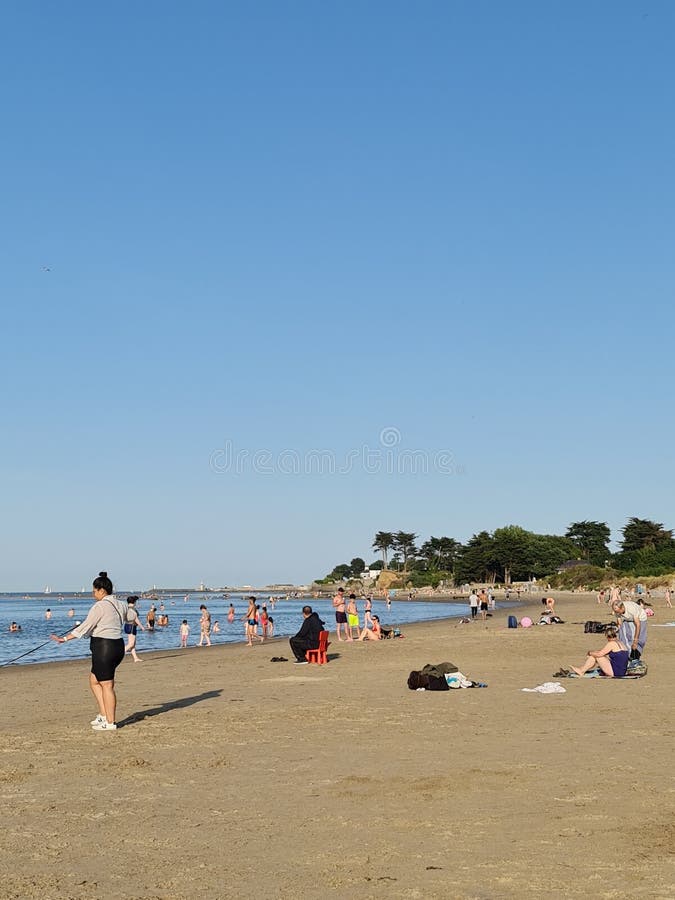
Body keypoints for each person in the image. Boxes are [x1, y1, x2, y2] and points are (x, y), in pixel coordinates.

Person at [50, 571, 126, 731]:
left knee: (107, 685)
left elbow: (85, 626)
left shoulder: (100, 606)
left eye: (94, 591)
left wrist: (64, 639)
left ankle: (110, 723)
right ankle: (104, 715)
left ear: (101, 590)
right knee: (94, 681)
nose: (93, 594)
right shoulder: (121, 604)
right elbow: (131, 616)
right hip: (117, 647)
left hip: (104, 648)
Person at [124, 596, 145, 663]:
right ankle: (119, 653)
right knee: (131, 644)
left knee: (132, 644)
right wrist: (142, 627)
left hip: (127, 625)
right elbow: (136, 619)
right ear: (134, 602)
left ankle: (135, 658)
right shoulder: (133, 609)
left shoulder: (126, 608)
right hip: (132, 626)